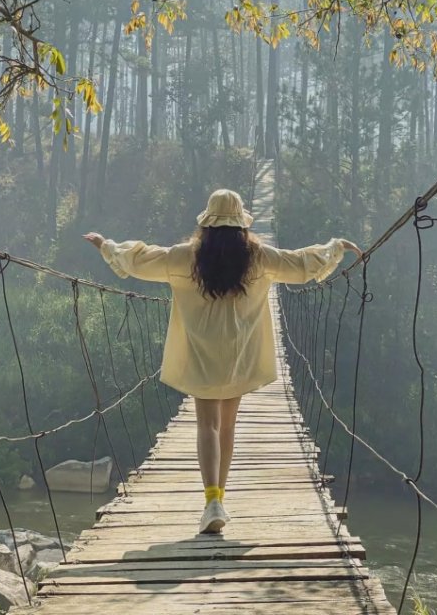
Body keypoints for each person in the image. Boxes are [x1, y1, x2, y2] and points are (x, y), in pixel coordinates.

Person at [83, 188, 362, 535]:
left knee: (207, 425)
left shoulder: (186, 257)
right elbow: (300, 264)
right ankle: (220, 497)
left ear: (207, 224)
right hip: (239, 354)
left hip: (201, 353)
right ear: (242, 224)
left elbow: (143, 260)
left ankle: (212, 499)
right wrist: (336, 248)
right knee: (227, 426)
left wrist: (106, 245)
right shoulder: (258, 257)